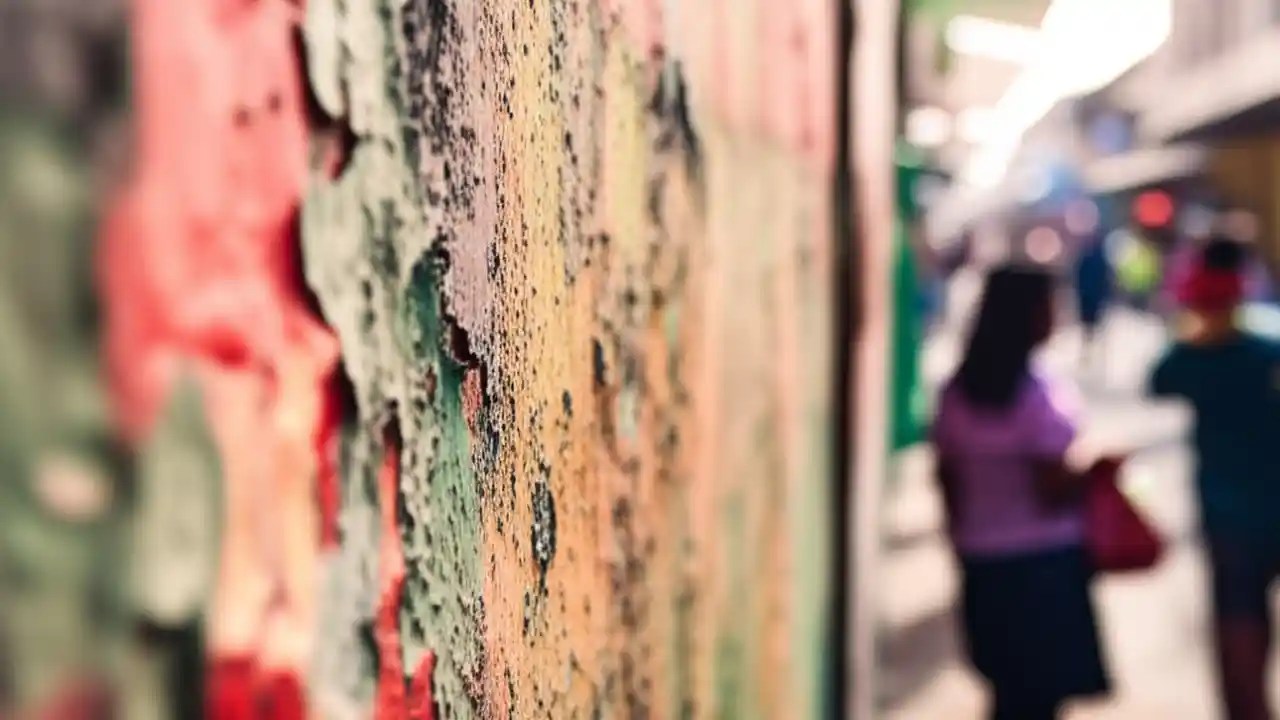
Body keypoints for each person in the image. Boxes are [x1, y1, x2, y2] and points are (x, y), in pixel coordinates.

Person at [933, 266, 1112, 720]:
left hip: (984, 558)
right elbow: (1051, 488)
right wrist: (1094, 468)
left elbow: (947, 476)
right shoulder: (1036, 396)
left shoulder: (957, 391)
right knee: (1038, 699)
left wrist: (961, 537)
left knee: (1009, 693)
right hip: (1043, 563)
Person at [1149, 238, 1280, 720]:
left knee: (1239, 627)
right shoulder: (1265, 347)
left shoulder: (1192, 357)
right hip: (1248, 511)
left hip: (1230, 519)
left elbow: (1159, 379)